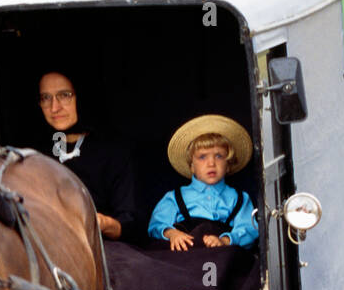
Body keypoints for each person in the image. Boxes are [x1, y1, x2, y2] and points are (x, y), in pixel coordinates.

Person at [36, 71, 140, 242]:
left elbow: (131, 223)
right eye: (46, 98)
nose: (54, 107)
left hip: (105, 250)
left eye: (64, 95)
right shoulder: (35, 155)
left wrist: (105, 223)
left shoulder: (114, 151)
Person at [148, 114, 258, 252]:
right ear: (192, 166)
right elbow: (156, 225)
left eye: (218, 156)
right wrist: (172, 234)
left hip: (223, 256)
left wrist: (225, 240)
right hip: (184, 257)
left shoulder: (240, 198)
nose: (211, 163)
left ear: (228, 164)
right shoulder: (174, 197)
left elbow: (249, 229)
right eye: (202, 157)